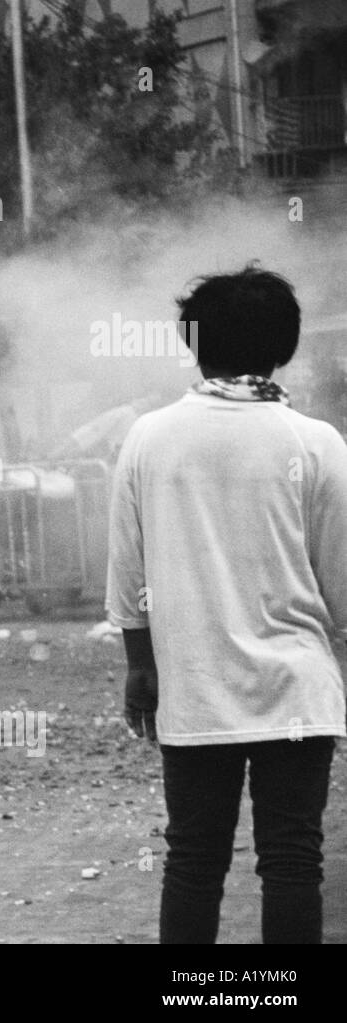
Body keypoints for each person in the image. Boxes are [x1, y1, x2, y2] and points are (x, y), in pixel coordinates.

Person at [107, 266, 347, 944]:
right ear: (284, 347)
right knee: (294, 860)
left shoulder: (149, 438)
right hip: (296, 692)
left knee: (193, 860)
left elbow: (129, 574)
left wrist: (139, 668)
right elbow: (343, 586)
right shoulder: (316, 442)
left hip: (196, 688)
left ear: (195, 346)